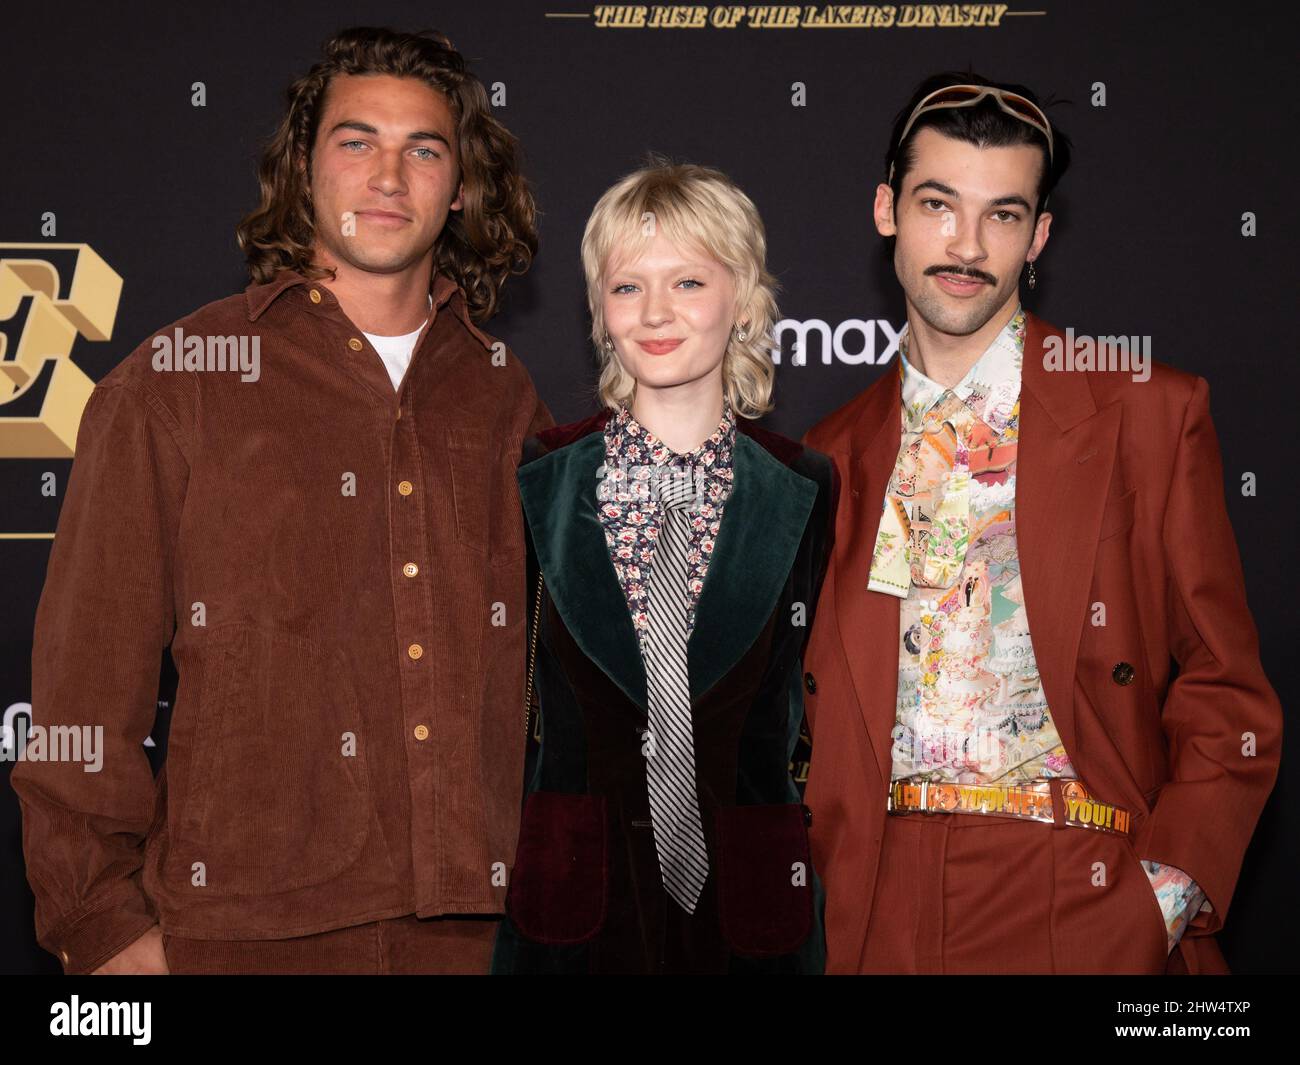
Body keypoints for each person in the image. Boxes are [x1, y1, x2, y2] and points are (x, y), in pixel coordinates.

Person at [11, 26, 551, 974]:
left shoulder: (505, 394)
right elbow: (82, 690)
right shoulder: (178, 382)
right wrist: (101, 926)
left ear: (460, 186)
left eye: (424, 149)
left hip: (482, 935)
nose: (389, 175)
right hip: (242, 940)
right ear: (303, 172)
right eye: (357, 142)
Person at [801, 73, 1282, 974]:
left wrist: (1161, 898)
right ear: (886, 210)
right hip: (876, 901)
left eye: (1004, 215)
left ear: (1039, 237)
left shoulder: (1148, 411)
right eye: (938, 204)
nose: (967, 244)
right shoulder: (827, 455)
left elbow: (1227, 689)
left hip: (1083, 883)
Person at [490, 159, 837, 974]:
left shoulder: (807, 484)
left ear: (743, 299)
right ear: (598, 310)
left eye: (687, 281)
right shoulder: (538, 475)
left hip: (751, 912)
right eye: (625, 287)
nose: (654, 313)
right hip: (573, 908)